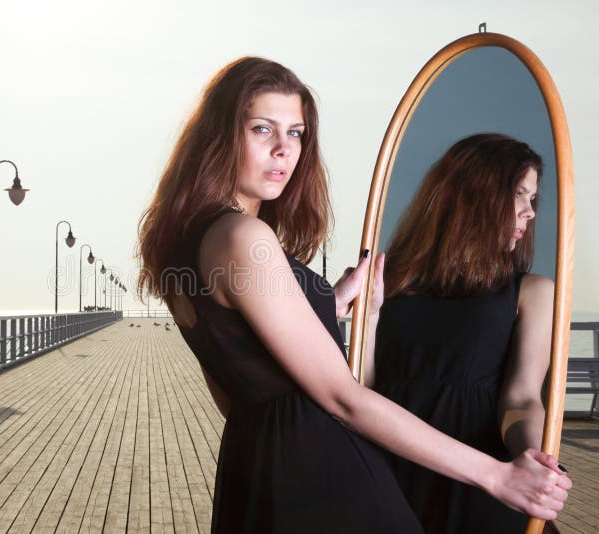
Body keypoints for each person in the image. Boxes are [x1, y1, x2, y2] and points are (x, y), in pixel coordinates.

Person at [136, 58, 569, 533]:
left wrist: (329, 303)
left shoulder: (185, 246)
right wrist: (497, 476)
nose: (284, 149)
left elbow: (234, 391)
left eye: (296, 133)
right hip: (322, 471)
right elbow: (345, 398)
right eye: (262, 129)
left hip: (254, 466)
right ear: (219, 136)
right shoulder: (247, 238)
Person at [369, 133, 561, 533]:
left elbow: (522, 397)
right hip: (388, 469)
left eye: (533, 199)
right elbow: (363, 387)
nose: (530, 212)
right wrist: (367, 316)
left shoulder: (532, 292)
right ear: (476, 193)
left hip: (483, 480)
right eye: (519, 194)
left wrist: (536, 455)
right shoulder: (389, 281)